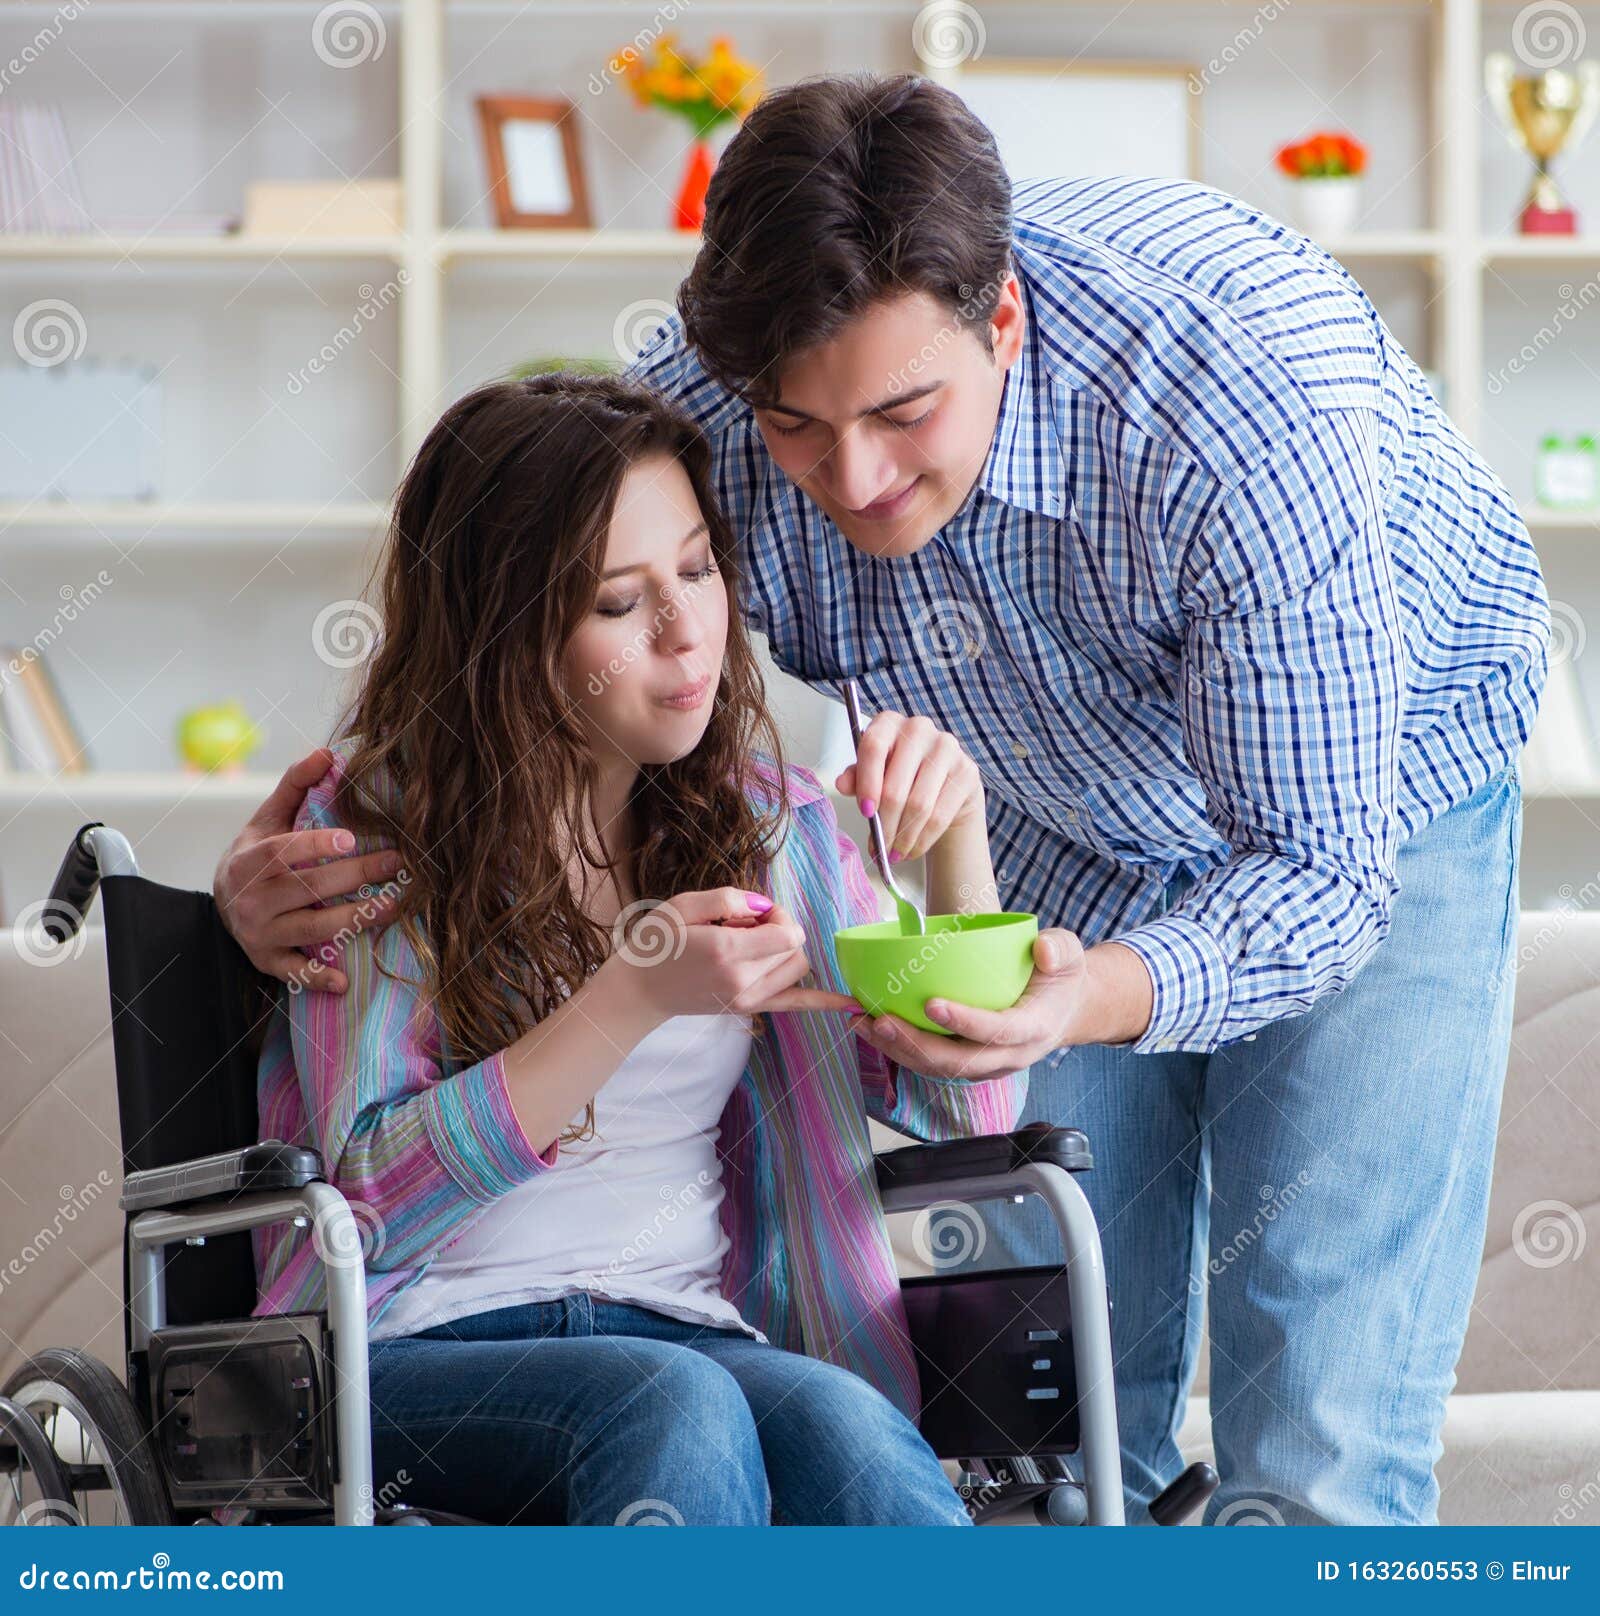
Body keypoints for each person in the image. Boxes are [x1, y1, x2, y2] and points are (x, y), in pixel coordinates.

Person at [217, 74, 1549, 1525]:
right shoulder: (699, 422)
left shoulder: (1239, 420)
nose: (850, 483)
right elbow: (521, 549)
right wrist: (255, 883)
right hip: (1053, 804)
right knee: (1060, 1431)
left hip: (1365, 803)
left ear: (1005, 326)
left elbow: (1316, 876)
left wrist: (1061, 967)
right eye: (796, 429)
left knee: (1321, 1444)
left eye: (904, 415)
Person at [245, 370, 1027, 1525]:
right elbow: (362, 1204)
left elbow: (971, 1115)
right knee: (668, 1404)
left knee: (850, 1427)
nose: (685, 631)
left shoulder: (776, 826)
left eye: (699, 571)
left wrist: (958, 840)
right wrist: (632, 995)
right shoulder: (370, 837)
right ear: (508, 630)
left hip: (691, 1327)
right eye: (619, 601)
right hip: (409, 1350)